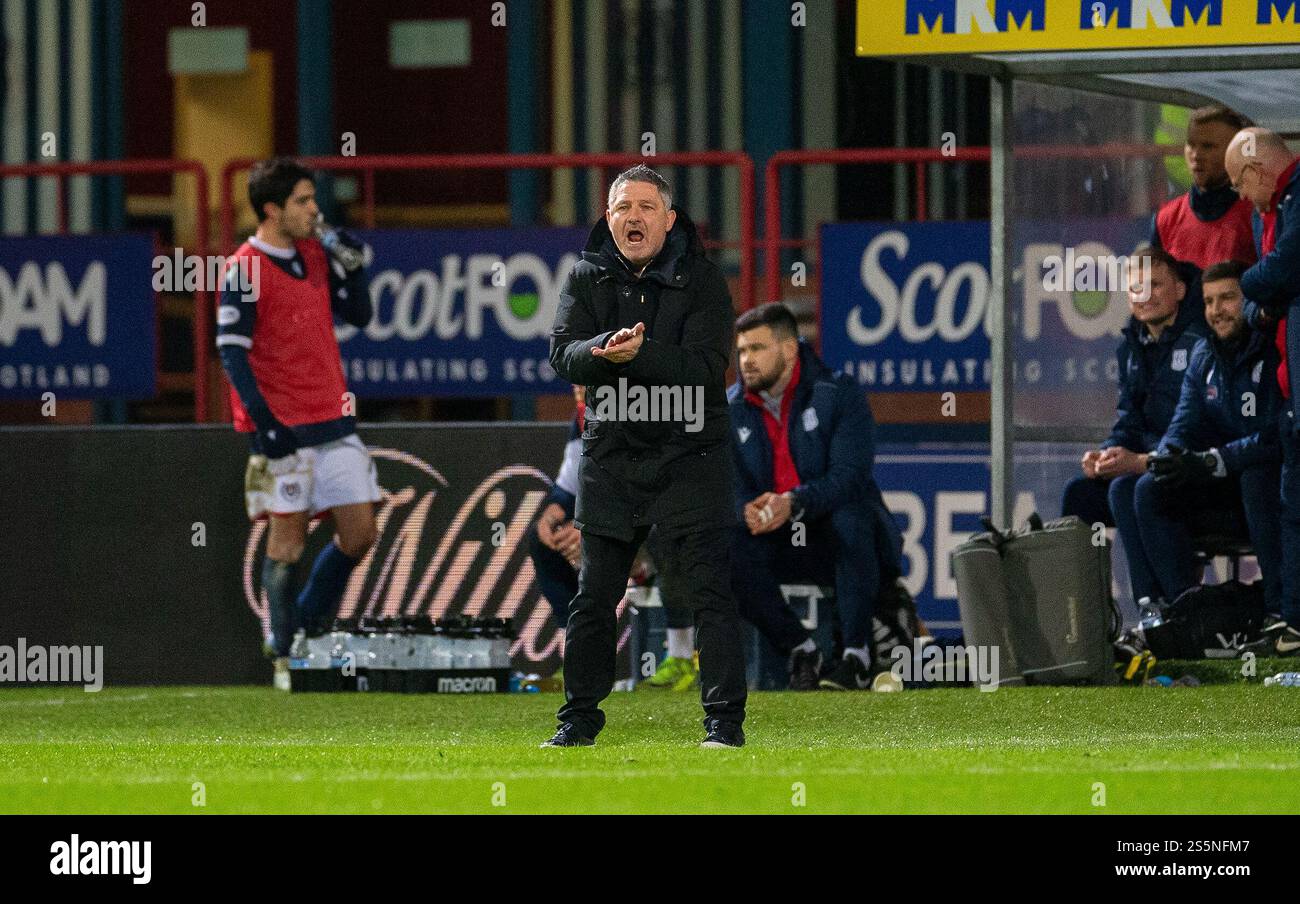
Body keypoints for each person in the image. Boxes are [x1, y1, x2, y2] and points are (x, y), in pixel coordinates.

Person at [543, 164, 748, 747]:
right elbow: (561, 353)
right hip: (614, 455)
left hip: (691, 452)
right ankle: (577, 724)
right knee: (595, 596)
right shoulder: (585, 276)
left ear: (669, 219)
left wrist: (638, 355)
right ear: (607, 219)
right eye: (622, 208)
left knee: (710, 590)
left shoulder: (705, 279)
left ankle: (724, 726)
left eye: (645, 208)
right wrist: (600, 351)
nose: (632, 217)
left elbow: (709, 369)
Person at [216, 158, 379, 685]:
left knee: (360, 532)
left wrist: (356, 272)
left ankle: (307, 620)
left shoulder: (314, 254)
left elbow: (358, 316)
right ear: (272, 209)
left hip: (333, 418)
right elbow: (232, 352)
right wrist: (262, 423)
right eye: (304, 201)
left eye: (314, 200)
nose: (316, 210)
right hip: (283, 426)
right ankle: (284, 650)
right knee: (286, 541)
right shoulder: (242, 268)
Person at [729, 303, 906, 691]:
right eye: (741, 351)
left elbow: (849, 478)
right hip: (775, 540)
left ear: (789, 350)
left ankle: (855, 656)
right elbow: (722, 483)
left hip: (830, 538)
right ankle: (802, 650)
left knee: (850, 514)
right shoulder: (731, 409)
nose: (746, 361)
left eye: (757, 349)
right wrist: (744, 508)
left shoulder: (837, 393)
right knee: (722, 542)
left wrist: (791, 502)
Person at [1126, 261, 1283, 609]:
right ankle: (1184, 609)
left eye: (1227, 299)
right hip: (1220, 479)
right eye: (1209, 301)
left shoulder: (1272, 349)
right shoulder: (1204, 353)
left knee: (1257, 478)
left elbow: (1275, 437)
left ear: (1250, 301)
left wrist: (1214, 460)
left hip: (1267, 477)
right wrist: (1168, 457)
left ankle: (1278, 609)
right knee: (1148, 488)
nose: (1216, 311)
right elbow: (1185, 421)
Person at [527, 386, 699, 691]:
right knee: (543, 544)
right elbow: (570, 481)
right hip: (609, 520)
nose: (579, 389)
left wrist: (588, 527)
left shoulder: (632, 410)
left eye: (586, 382)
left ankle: (682, 656)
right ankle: (575, 658)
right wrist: (550, 517)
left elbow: (640, 484)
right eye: (575, 383)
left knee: (666, 534)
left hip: (655, 516)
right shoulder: (581, 417)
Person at [1061, 244, 1207, 575]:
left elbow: (1197, 425)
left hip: (1189, 466)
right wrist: (1106, 455)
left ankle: (1164, 604)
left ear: (1180, 290)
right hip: (1146, 466)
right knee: (1080, 494)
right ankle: (1085, 610)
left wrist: (1143, 462)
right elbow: (1129, 419)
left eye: (1156, 285)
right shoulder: (1129, 347)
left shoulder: (1200, 341)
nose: (1145, 295)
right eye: (1136, 287)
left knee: (1129, 488)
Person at [1226, 127, 1300, 655]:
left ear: (1254, 171)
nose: (1239, 194)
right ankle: (1292, 620)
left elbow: (1283, 269)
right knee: (1290, 506)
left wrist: (1248, 285)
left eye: (1237, 182)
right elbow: (1267, 297)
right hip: (1290, 390)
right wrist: (1263, 293)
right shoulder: (1269, 211)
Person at [1151, 105, 1257, 271]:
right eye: (1191, 145)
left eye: (1208, 146)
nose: (1196, 155)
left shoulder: (1258, 213)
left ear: (1236, 152)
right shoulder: (1165, 219)